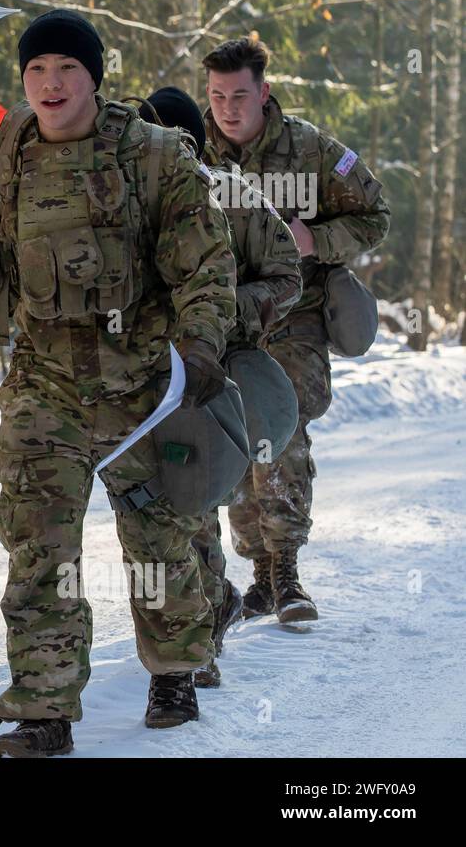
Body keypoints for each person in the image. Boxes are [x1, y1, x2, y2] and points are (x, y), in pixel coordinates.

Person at [0, 9, 238, 756]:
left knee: (160, 540)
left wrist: (201, 348)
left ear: (94, 77)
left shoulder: (156, 158)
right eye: (35, 71)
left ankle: (175, 669)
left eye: (66, 70)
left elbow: (205, 267)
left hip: (147, 386)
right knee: (39, 546)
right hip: (46, 386)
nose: (50, 85)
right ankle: (43, 710)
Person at [202, 38, 390, 623]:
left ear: (263, 91)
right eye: (215, 96)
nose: (228, 109)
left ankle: (286, 572)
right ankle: (257, 573)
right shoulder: (187, 151)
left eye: (239, 95)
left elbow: (374, 215)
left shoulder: (309, 148)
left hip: (294, 312)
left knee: (280, 427)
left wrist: (317, 241)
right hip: (226, 316)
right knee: (235, 433)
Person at [141, 86, 302, 686]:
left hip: (217, 371)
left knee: (193, 494)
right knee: (160, 501)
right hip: (144, 373)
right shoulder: (124, 196)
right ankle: (206, 610)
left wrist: (223, 313)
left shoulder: (233, 195)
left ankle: (201, 627)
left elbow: (287, 276)